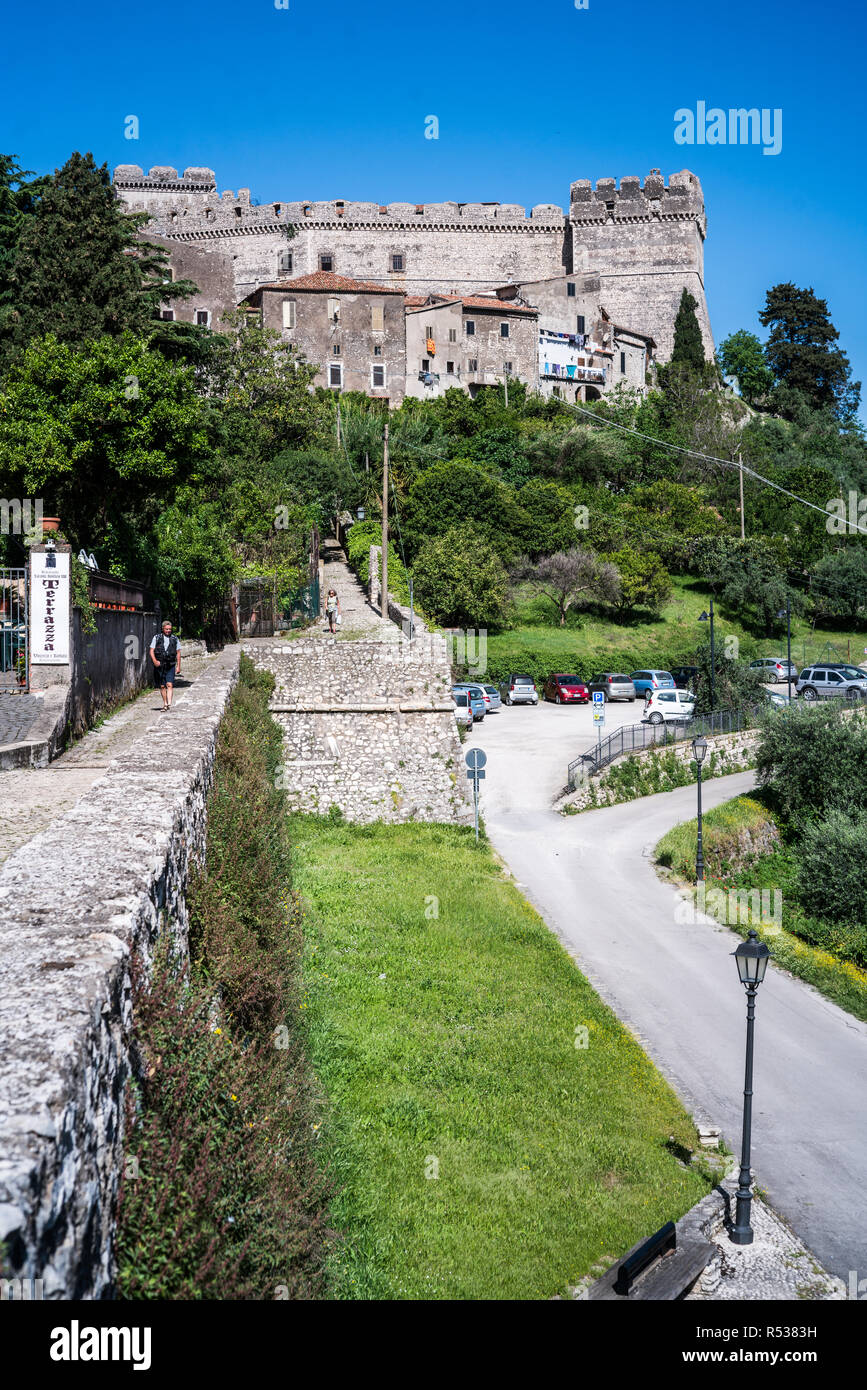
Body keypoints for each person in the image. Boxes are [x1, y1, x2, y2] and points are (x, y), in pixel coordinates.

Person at [150, 620, 182, 710]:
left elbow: (178, 653)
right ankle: (165, 703)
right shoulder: (156, 638)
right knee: (162, 686)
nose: (168, 631)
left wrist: (179, 666)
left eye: (170, 629)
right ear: (163, 629)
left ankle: (169, 704)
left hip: (170, 664)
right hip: (160, 665)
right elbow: (151, 651)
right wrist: (155, 661)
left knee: (169, 684)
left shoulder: (175, 639)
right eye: (166, 629)